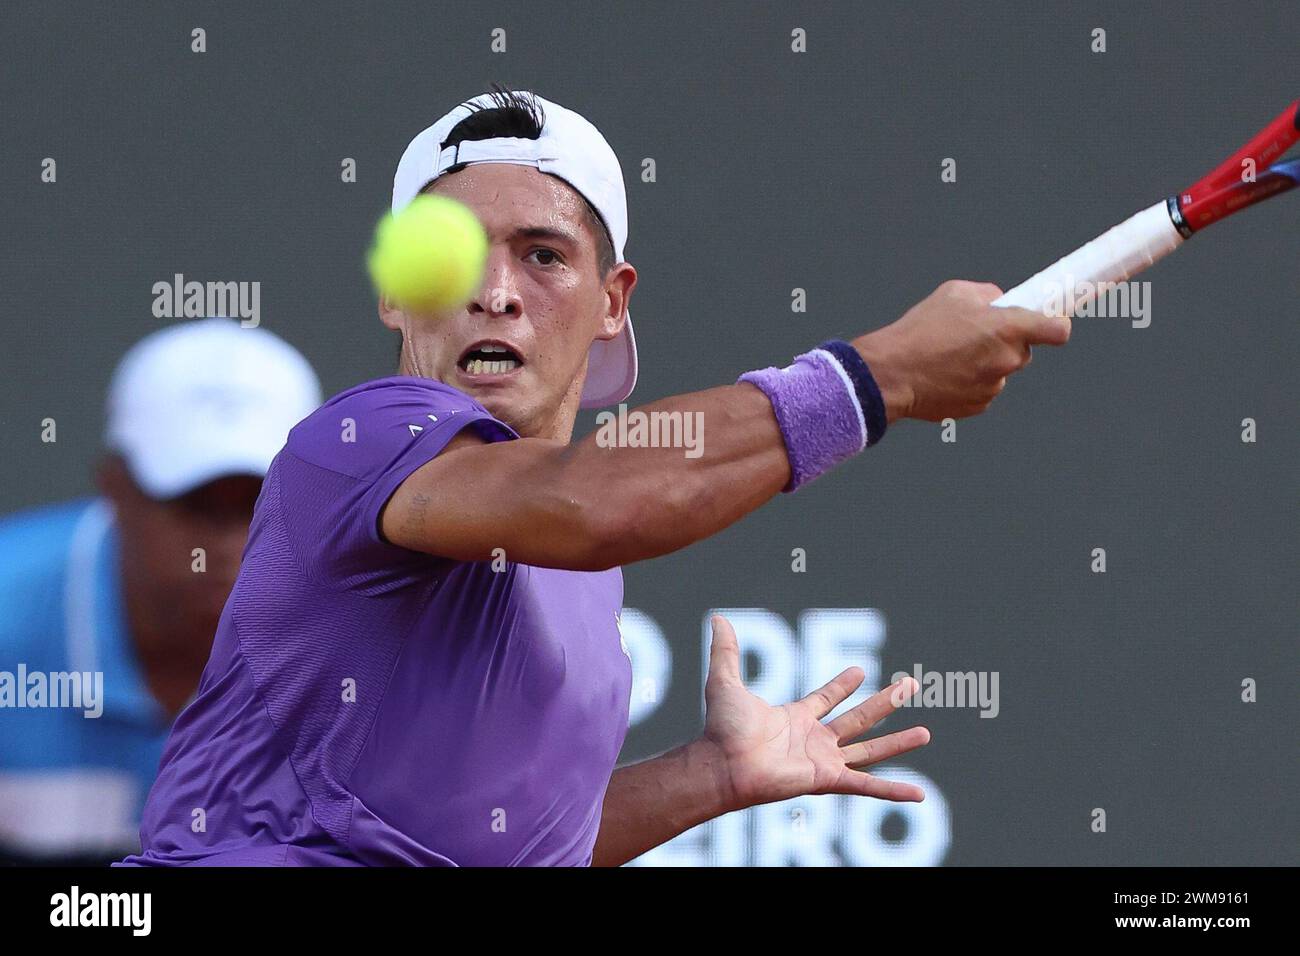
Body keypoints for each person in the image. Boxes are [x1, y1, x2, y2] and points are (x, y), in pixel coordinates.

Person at [122, 87, 1068, 868]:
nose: (495, 292)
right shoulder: (365, 439)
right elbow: (590, 501)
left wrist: (711, 777)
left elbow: (509, 849)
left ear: (612, 303)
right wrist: (878, 377)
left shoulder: (581, 588)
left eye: (542, 255)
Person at [0, 318, 320, 865]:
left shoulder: (369, 652)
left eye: (261, 505)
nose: (229, 544)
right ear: (115, 485)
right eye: (195, 503)